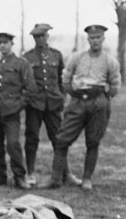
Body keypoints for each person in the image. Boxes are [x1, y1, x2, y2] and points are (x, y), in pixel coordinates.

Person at [42, 24, 121, 192]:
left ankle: (86, 179)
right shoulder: (76, 58)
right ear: (88, 39)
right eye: (92, 38)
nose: (95, 41)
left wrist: (102, 98)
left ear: (103, 39)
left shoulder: (110, 61)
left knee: (93, 141)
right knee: (62, 139)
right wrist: (77, 94)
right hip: (77, 102)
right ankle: (56, 178)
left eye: (98, 38)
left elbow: (115, 85)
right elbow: (66, 79)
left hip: (98, 103)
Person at [0, 32, 37, 189]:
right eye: (0, 43)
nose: (2, 46)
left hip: (11, 112)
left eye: (5, 43)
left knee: (13, 144)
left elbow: (31, 88)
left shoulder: (21, 64)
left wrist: (19, 104)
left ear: (12, 44)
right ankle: (0, 175)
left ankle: (20, 176)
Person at [22, 23, 65, 187]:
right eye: (36, 37)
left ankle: (63, 173)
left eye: (42, 36)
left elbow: (62, 78)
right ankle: (31, 173)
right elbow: (25, 81)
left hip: (53, 103)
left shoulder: (56, 55)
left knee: (59, 139)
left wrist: (61, 96)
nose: (39, 39)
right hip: (35, 104)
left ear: (47, 36)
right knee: (32, 138)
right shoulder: (28, 57)